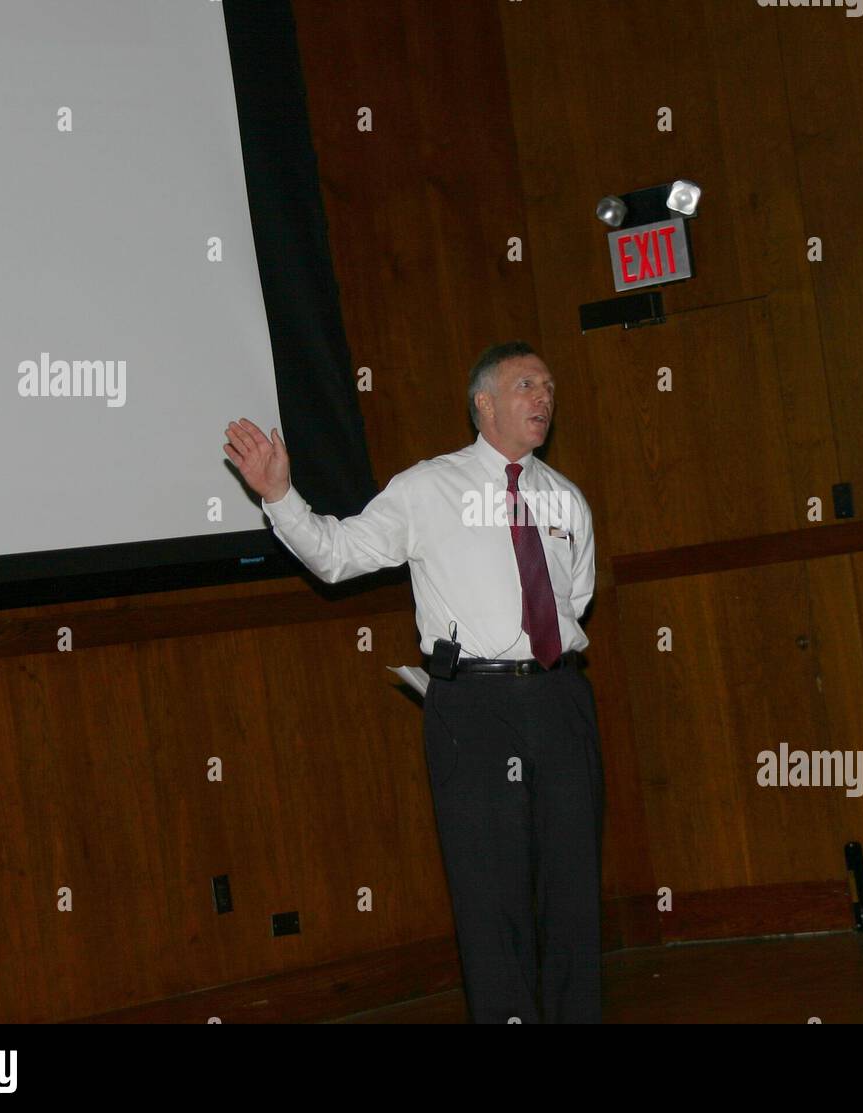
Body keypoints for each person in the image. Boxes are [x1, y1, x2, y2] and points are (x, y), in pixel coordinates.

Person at [223, 341, 603, 1023]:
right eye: (525, 385)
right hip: (476, 709)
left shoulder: (566, 499)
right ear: (483, 404)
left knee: (573, 888)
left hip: (561, 699)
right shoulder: (428, 488)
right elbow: (338, 556)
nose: (543, 398)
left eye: (548, 386)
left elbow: (575, 597)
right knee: (492, 896)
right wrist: (280, 496)